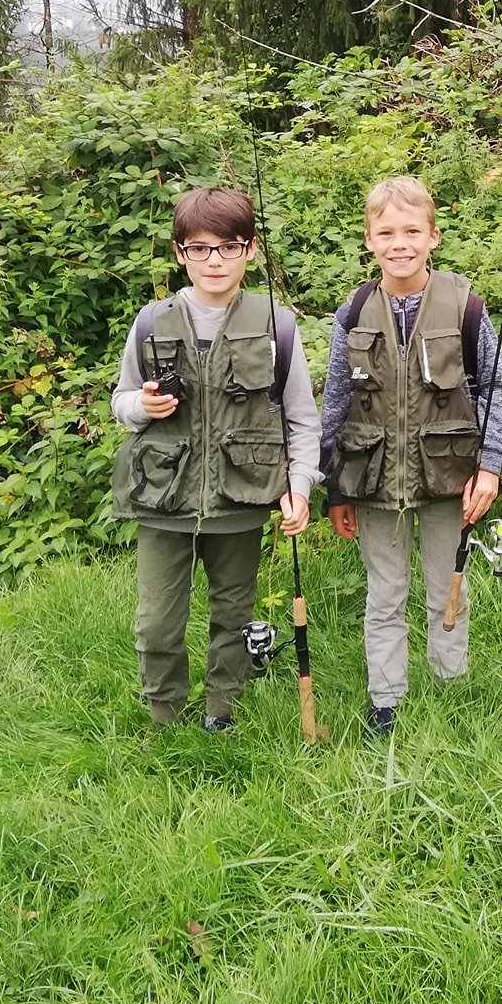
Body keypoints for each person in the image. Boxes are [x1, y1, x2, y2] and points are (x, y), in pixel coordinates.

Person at [109, 186, 317, 733]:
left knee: (232, 615)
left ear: (250, 250)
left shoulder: (279, 325)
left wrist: (300, 487)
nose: (215, 261)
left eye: (229, 247)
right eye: (200, 249)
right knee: (156, 624)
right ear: (180, 253)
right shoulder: (151, 321)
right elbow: (121, 401)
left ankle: (221, 710)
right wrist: (143, 405)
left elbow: (301, 419)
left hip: (241, 497)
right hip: (164, 498)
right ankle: (164, 715)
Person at [320, 175, 502, 738]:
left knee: (446, 587)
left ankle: (450, 689)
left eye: (411, 231)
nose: (399, 242)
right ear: (369, 239)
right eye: (386, 232)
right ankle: (386, 700)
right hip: (374, 479)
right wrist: (335, 488)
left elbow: (497, 392)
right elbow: (335, 399)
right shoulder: (353, 309)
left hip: (449, 477)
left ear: (433, 236)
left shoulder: (466, 307)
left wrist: (491, 465)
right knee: (383, 595)